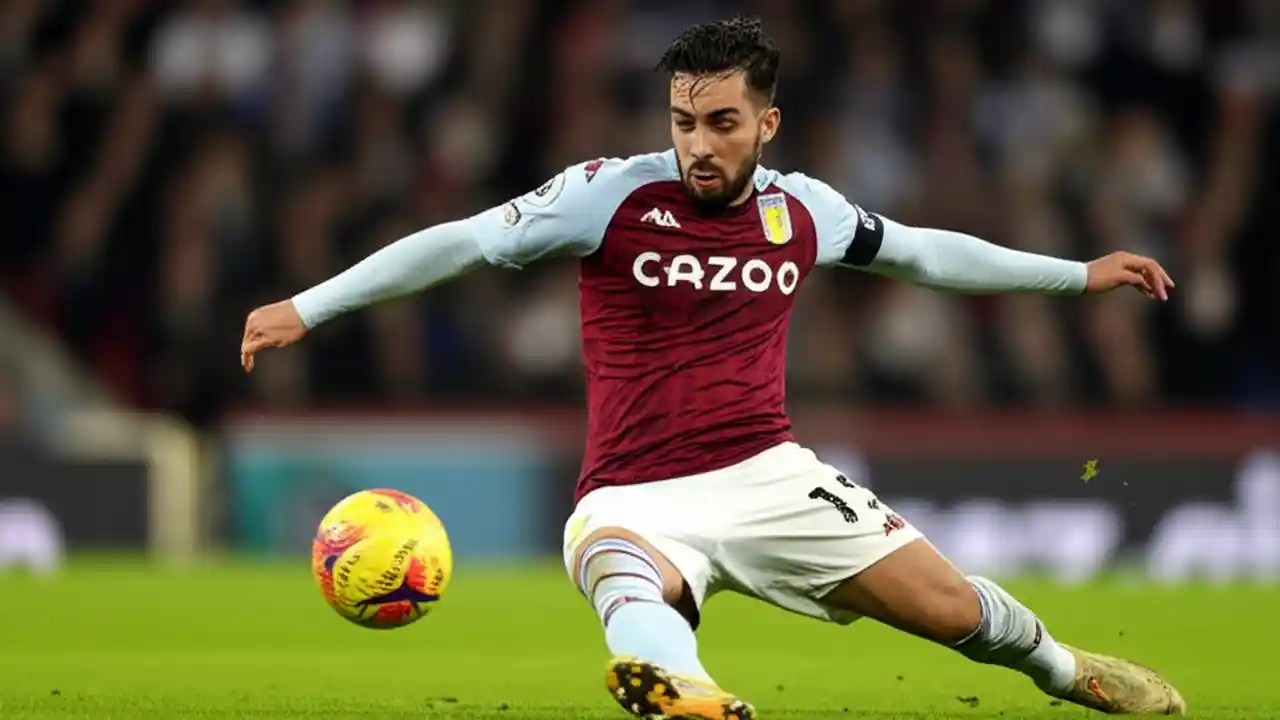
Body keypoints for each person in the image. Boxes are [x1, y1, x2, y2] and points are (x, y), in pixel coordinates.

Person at [240, 16, 1184, 719]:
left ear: (767, 123)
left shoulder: (801, 211)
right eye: (684, 121)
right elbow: (462, 242)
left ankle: (1067, 671)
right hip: (633, 489)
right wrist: (307, 306)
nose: (697, 143)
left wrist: (1077, 276)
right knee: (620, 573)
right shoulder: (608, 193)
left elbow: (925, 253)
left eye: (721, 122)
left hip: (770, 476)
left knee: (952, 613)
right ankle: (686, 695)